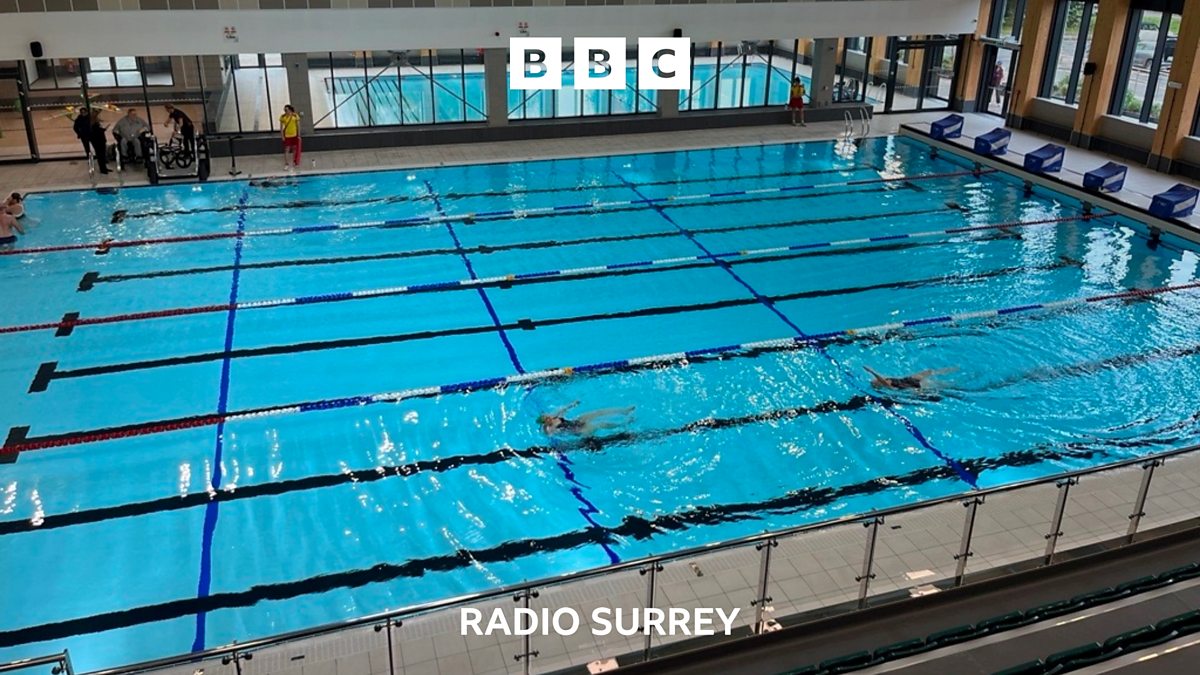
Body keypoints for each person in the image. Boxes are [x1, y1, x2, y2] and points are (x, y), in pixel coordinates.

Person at [537, 401, 635, 438]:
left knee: (598, 412)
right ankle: (623, 424)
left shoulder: (554, 417)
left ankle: (624, 411)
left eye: (547, 416)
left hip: (577, 422)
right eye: (547, 419)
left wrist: (573, 404)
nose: (549, 417)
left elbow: (563, 410)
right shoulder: (550, 429)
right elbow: (550, 435)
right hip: (580, 431)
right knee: (601, 424)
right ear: (545, 422)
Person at [863, 366, 956, 391]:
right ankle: (953, 386)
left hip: (908, 380)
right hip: (911, 386)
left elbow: (881, 378)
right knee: (937, 386)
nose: (874, 380)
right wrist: (871, 371)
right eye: (875, 382)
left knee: (929, 371)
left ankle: (949, 370)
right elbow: (881, 379)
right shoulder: (887, 386)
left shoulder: (887, 380)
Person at [279, 104, 302, 171]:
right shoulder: (283, 117)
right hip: (287, 136)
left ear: (290, 110)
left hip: (294, 135)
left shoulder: (295, 116)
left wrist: (299, 135)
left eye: (286, 110)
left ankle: (294, 162)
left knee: (294, 149)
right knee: (287, 150)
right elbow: (281, 128)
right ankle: (286, 164)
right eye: (284, 110)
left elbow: (298, 126)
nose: (285, 111)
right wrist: (282, 136)